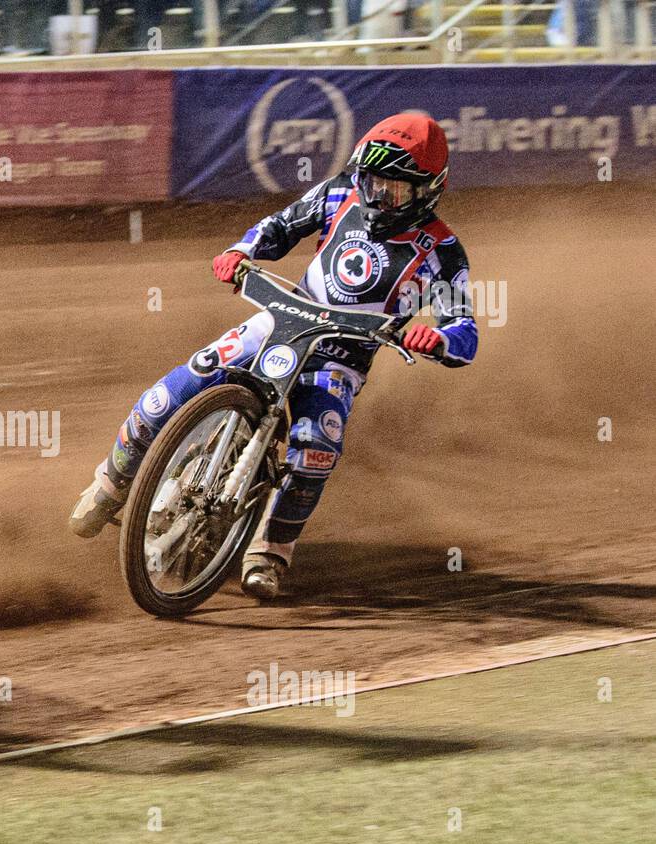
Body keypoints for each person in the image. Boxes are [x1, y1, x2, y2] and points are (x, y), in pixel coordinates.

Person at [69, 113, 476, 599]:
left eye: (392, 188)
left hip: (340, 357)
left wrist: (440, 340)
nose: (375, 195)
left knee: (316, 447)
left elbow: (464, 328)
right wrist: (242, 252)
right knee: (170, 393)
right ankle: (111, 483)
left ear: (428, 190)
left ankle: (271, 550)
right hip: (279, 318)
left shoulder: (444, 252)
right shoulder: (336, 192)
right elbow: (280, 227)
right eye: (370, 181)